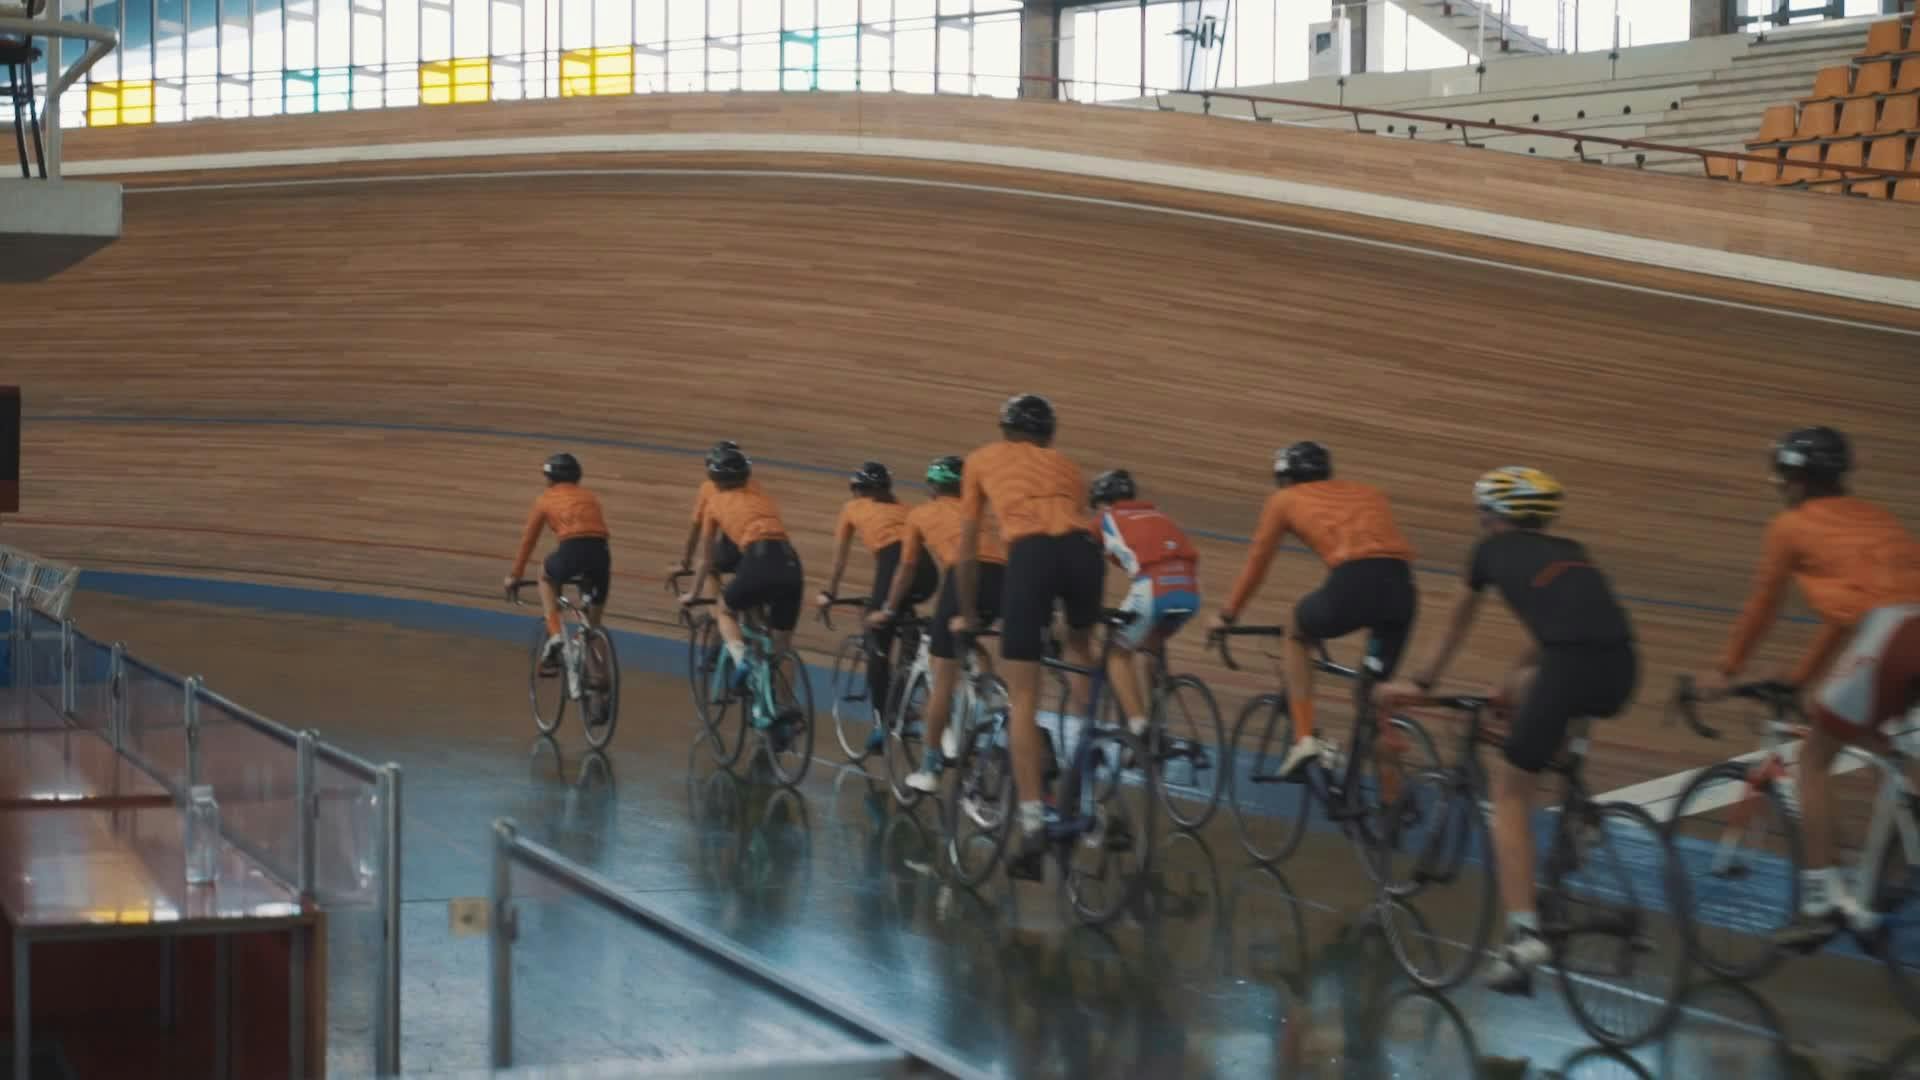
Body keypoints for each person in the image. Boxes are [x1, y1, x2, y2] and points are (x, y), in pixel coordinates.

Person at [1379, 466, 1637, 995]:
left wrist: (1421, 682)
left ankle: (1523, 937)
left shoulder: (1488, 552)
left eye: (1483, 512)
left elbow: (1456, 622)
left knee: (1510, 791)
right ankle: (1579, 816)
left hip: (1567, 667)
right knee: (1535, 703)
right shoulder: (1572, 550)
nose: (1481, 521)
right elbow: (1559, 628)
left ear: (1495, 515)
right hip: (1622, 667)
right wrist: (1509, 686)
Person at [1693, 427, 1920, 950]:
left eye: (1781, 475)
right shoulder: (1874, 516)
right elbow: (1845, 617)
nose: (1777, 484)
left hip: (1894, 632)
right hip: (1907, 627)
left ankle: (1820, 903)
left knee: (1815, 757)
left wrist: (1726, 669)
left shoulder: (1791, 526)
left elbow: (1764, 604)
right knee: (1897, 751)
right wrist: (1801, 676)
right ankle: (1885, 884)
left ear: (1796, 479)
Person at [950, 394, 1105, 880]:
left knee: (1023, 698)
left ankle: (1033, 824)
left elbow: (967, 548)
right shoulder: (1068, 466)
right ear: (1048, 436)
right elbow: (1070, 541)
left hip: (1031, 554)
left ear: (1005, 430)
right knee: (1078, 648)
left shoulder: (981, 459)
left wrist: (968, 613)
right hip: (1084, 553)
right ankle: (1093, 786)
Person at [1207, 441, 1418, 778]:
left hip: (1354, 584)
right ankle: (1392, 804)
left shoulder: (1284, 499)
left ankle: (1304, 739)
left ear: (1285, 478)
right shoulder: (1369, 492)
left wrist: (1227, 614)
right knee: (1372, 699)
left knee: (1296, 631)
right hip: (1402, 590)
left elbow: (1258, 562)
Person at [873, 455, 1009, 792]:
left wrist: (889, 609)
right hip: (1002, 578)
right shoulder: (976, 513)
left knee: (942, 678)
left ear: (932, 487)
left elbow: (906, 569)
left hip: (962, 574)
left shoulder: (919, 514)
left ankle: (930, 768)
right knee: (970, 631)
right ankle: (986, 687)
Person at [817, 461, 939, 755]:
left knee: (877, 637)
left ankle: (881, 721)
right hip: (927, 573)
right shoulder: (906, 509)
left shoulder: (852, 508)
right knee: (903, 619)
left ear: (859, 491)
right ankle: (907, 688)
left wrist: (829, 592)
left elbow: (839, 559)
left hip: (894, 565)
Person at [678, 447, 805, 705]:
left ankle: (741, 659)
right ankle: (786, 710)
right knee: (782, 647)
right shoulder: (761, 497)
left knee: (725, 610)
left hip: (757, 559)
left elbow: (707, 560)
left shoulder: (714, 503)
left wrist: (692, 594)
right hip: (791, 563)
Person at [1089, 469, 1200, 739]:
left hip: (1153, 587)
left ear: (1102, 502)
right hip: (1189, 589)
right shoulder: (1159, 515)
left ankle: (1138, 728)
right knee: (1152, 646)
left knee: (1117, 653)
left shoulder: (1104, 519)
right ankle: (1159, 727)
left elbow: (1086, 563)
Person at [503, 453, 612, 675]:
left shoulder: (545, 499)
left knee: (545, 575)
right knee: (593, 623)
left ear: (550, 478)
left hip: (571, 551)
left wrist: (515, 575)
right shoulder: (590, 497)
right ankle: (600, 679)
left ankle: (555, 635)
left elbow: (529, 540)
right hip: (601, 554)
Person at [671, 440, 757, 589]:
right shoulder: (752, 484)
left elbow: (695, 530)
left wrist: (686, 563)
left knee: (710, 563)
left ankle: (718, 602)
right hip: (763, 544)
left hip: (735, 543)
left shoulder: (708, 488)